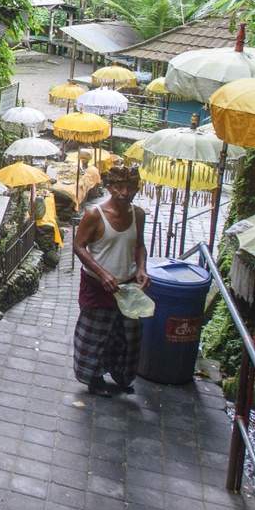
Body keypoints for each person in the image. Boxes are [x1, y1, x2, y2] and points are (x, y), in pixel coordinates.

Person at [72, 163, 149, 396]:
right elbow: (78, 246)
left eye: (130, 187)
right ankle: (93, 379)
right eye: (119, 187)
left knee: (126, 336)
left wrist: (142, 268)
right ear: (109, 187)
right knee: (96, 335)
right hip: (98, 286)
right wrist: (102, 272)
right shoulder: (94, 214)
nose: (125, 193)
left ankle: (121, 375)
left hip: (127, 286)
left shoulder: (138, 215)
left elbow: (139, 245)